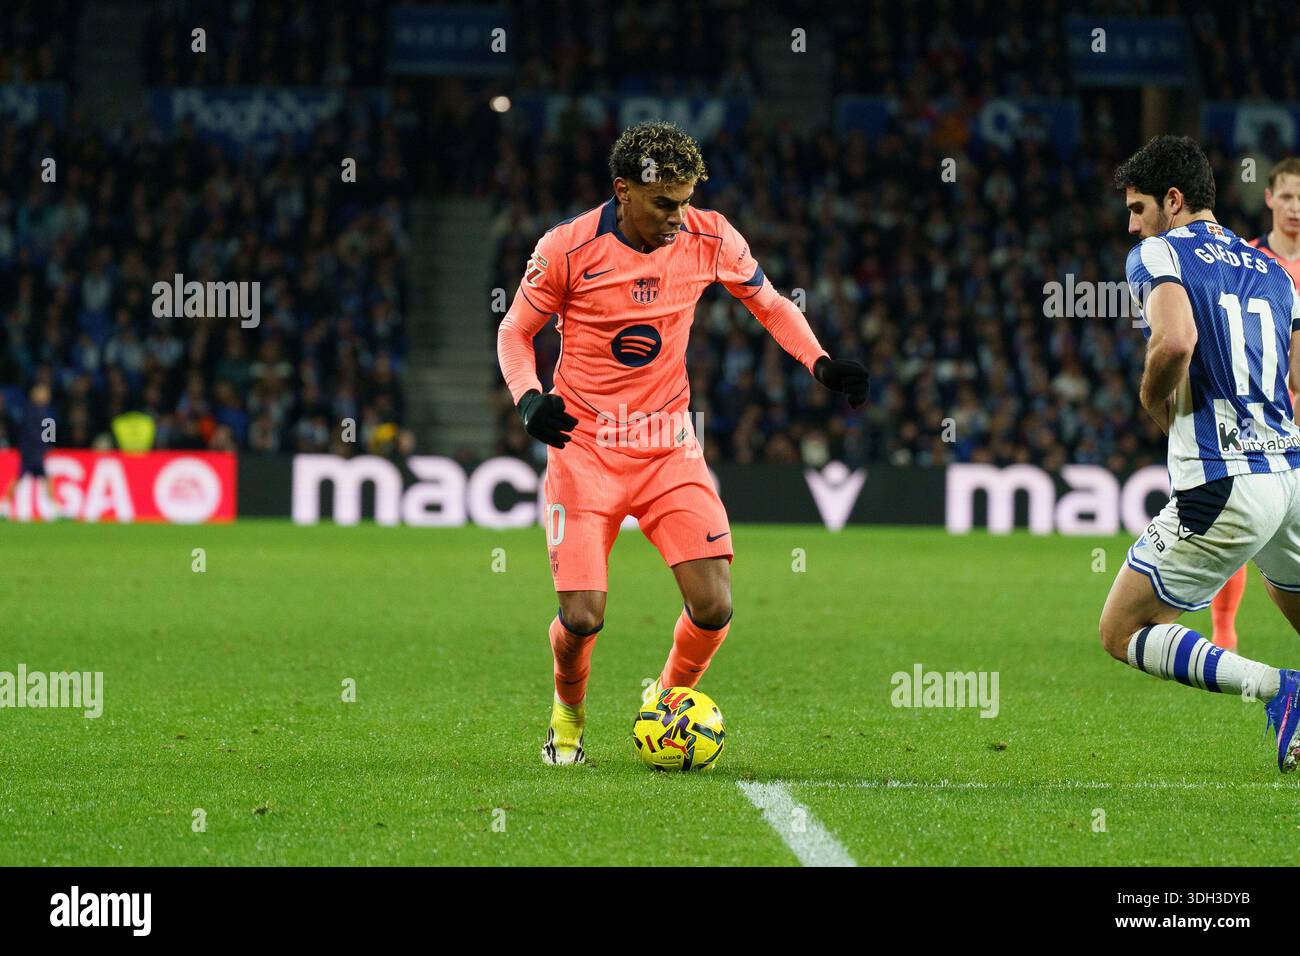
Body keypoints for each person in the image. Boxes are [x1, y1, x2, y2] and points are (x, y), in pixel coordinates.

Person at [496, 121, 869, 764]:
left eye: (686, 199)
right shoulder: (566, 249)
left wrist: (820, 362)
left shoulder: (710, 233)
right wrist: (529, 400)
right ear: (624, 191)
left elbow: (771, 304)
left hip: (669, 445)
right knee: (583, 616)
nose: (677, 215)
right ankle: (567, 716)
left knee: (714, 603)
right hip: (584, 450)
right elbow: (514, 331)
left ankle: (665, 706)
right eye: (664, 202)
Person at [1099, 136, 1300, 772]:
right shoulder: (1271, 269)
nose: (1132, 224)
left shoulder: (1156, 252)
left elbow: (1176, 339)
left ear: (1173, 200)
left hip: (1227, 483)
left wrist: (1152, 400)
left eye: (1138, 208)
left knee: (1121, 631)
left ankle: (1280, 692)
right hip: (1290, 476)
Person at [1213, 158, 1300, 650]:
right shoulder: (1247, 262)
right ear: (1268, 198)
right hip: (1259, 420)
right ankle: (1224, 627)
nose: (1295, 208)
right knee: (1243, 524)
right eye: (1287, 196)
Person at [1, 382, 56, 520]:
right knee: (28, 477)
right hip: (31, 452)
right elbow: (31, 433)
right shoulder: (31, 411)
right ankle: (54, 508)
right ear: (35, 395)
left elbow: (49, 431)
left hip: (35, 451)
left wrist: (49, 443)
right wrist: (44, 444)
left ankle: (4, 505)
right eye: (43, 393)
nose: (46, 396)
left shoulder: (45, 412)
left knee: (25, 477)